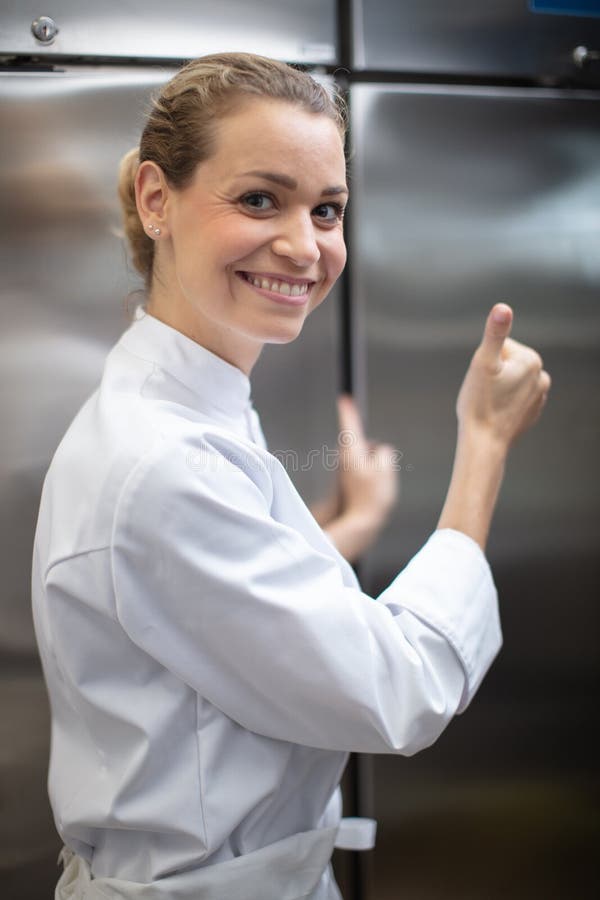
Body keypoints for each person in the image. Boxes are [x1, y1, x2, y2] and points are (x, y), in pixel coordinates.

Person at [31, 53, 551, 900]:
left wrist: (343, 529)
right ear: (156, 199)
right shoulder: (164, 460)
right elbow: (403, 687)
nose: (305, 246)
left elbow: (202, 599)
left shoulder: (185, 404)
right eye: (260, 199)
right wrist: (484, 443)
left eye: (328, 209)